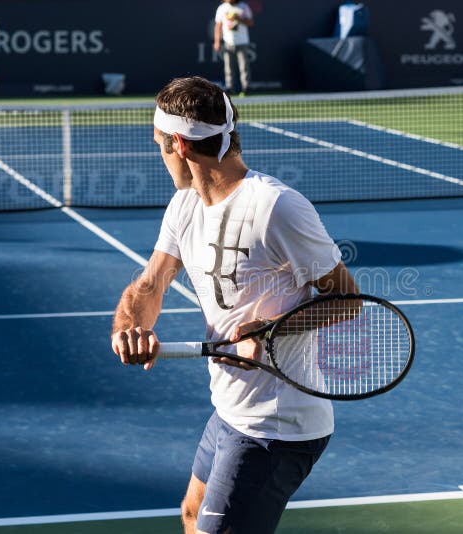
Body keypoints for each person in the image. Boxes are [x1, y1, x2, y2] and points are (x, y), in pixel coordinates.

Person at [111, 76, 357, 534]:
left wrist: (270, 328)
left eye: (159, 145)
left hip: (277, 427)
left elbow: (348, 299)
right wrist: (130, 329)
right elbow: (149, 286)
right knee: (191, 513)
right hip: (230, 411)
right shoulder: (185, 206)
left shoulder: (276, 206)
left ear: (180, 145)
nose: (159, 154)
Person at [214, 0, 254, 97]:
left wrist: (238, 18)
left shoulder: (244, 7)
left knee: (244, 67)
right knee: (228, 67)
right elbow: (218, 26)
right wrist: (217, 41)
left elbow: (250, 22)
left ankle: (246, 87)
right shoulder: (221, 8)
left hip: (242, 42)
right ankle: (229, 88)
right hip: (228, 43)